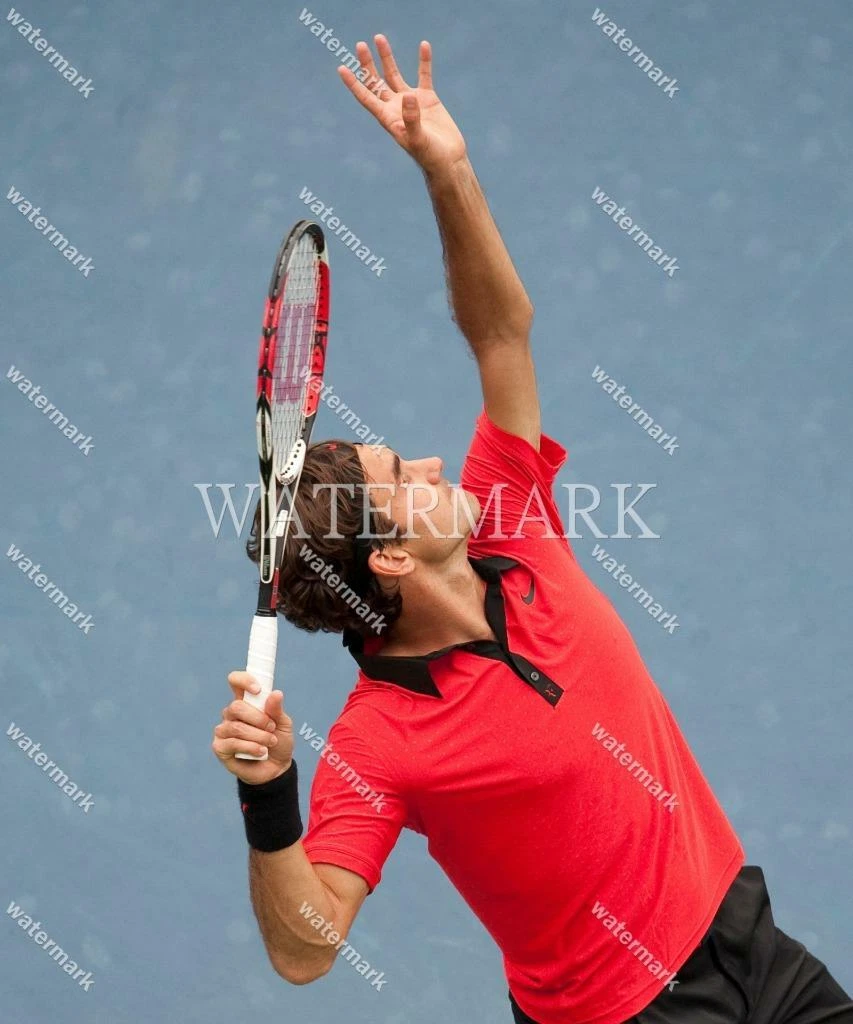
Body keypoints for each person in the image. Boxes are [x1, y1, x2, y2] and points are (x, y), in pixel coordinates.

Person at [212, 34, 853, 1024]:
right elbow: (309, 949)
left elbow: (499, 330)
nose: (432, 463)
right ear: (387, 553)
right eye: (404, 476)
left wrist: (449, 169)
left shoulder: (509, 516)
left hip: (745, 933)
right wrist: (269, 800)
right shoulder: (377, 745)